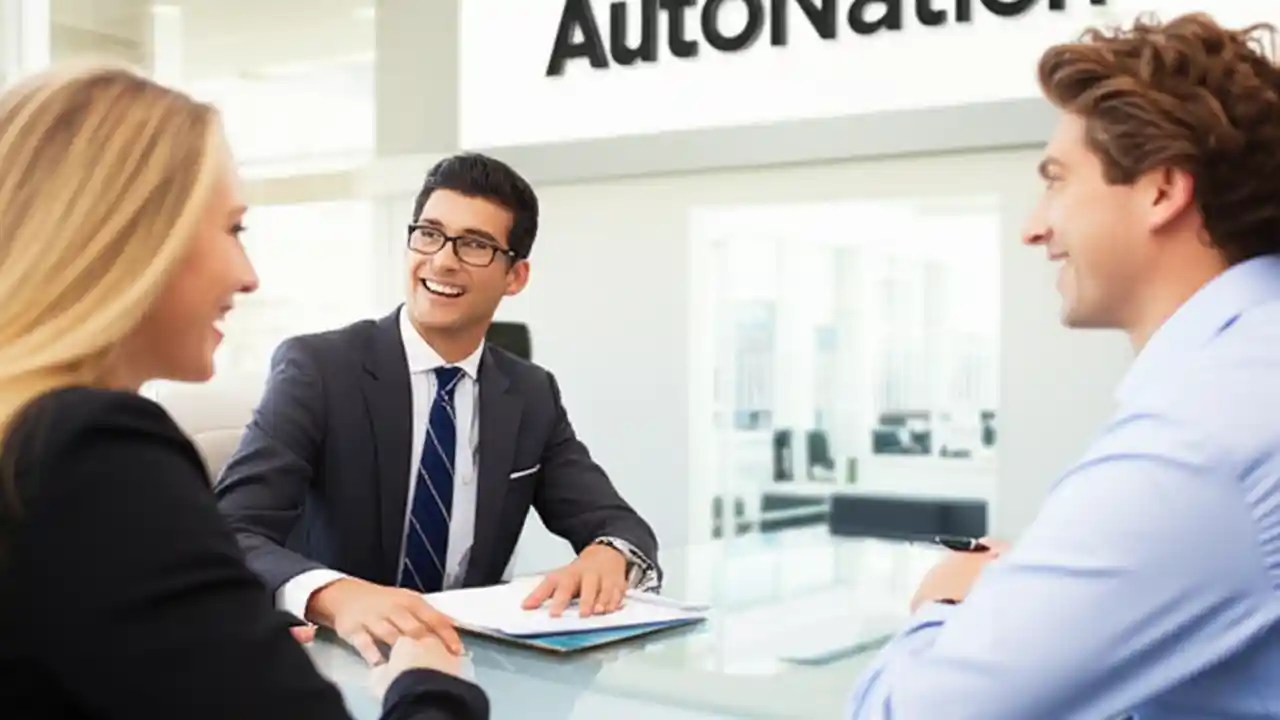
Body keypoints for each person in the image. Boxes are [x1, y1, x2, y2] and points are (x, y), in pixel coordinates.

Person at [0, 64, 487, 719]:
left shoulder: (29, 446)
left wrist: (210, 626)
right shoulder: (94, 450)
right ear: (132, 234)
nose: (249, 275)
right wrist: (430, 682)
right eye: (233, 229)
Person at [848, 13, 1280, 719]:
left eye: (1057, 180)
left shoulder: (1208, 433)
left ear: (1161, 191)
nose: (1034, 227)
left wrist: (946, 601)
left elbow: (913, 711)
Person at [214, 152, 661, 664]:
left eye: (475, 245)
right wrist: (335, 596)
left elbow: (618, 523)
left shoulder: (530, 394)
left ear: (515, 276)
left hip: (465, 664)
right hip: (338, 662)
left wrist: (608, 554)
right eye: (429, 234)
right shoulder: (320, 369)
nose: (443, 260)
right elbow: (231, 532)